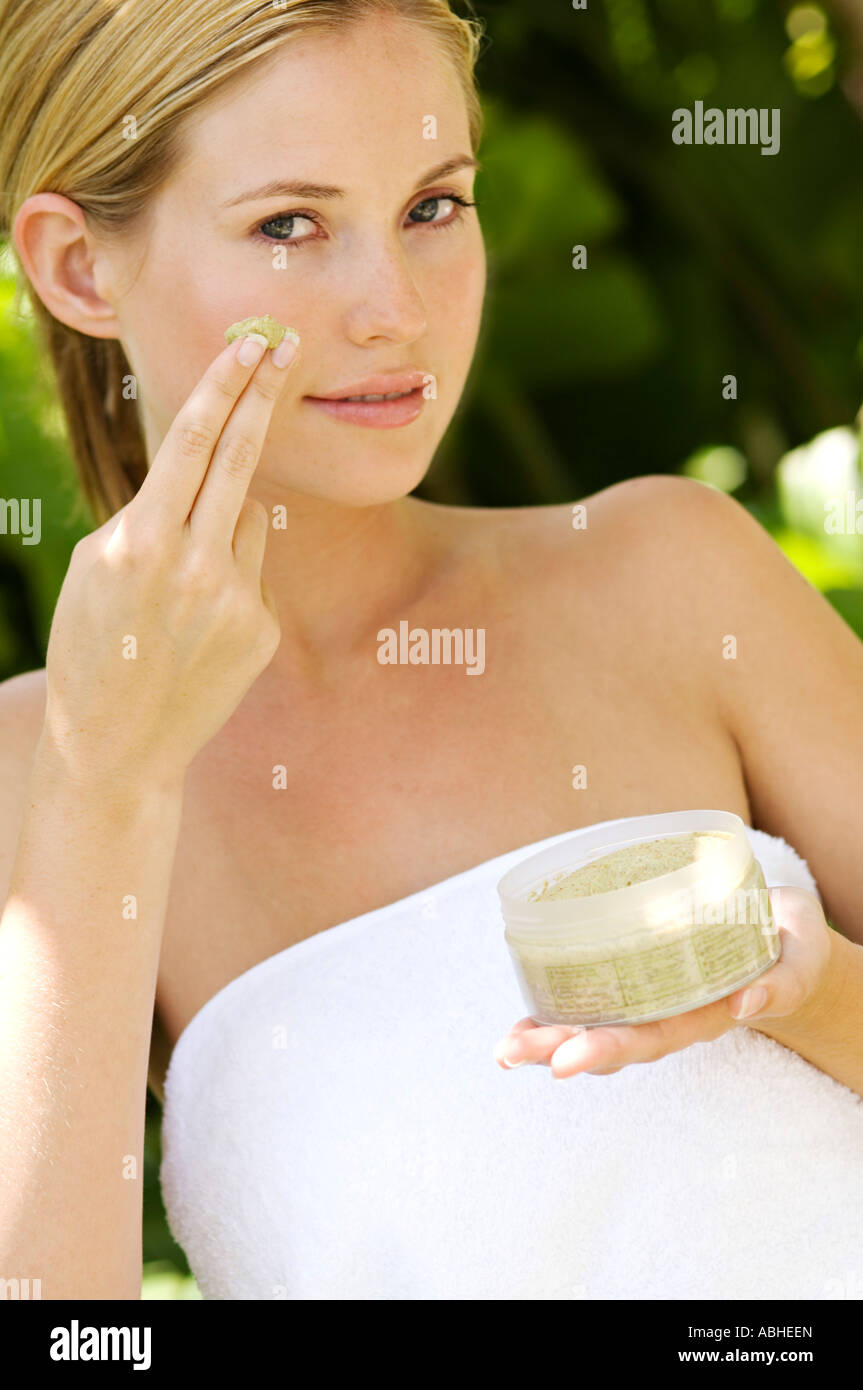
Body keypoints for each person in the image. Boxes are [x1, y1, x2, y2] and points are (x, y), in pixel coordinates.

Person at [0, 0, 861, 1301]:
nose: (392, 309)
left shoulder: (670, 572)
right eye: (289, 223)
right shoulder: (37, 777)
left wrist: (808, 993)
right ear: (77, 266)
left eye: (433, 205)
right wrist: (111, 776)